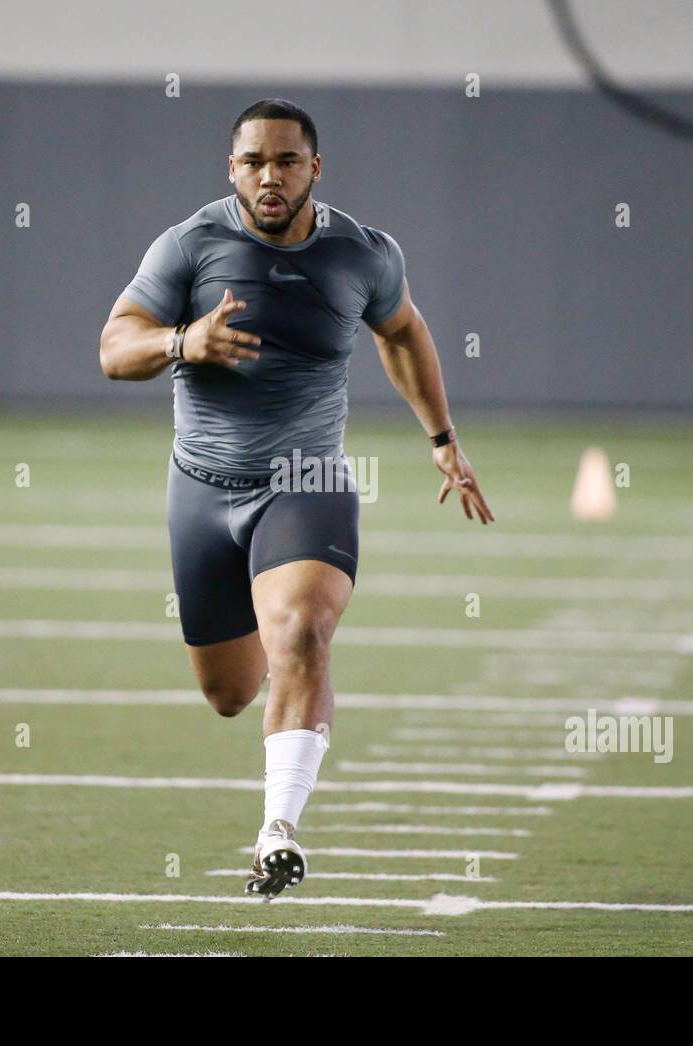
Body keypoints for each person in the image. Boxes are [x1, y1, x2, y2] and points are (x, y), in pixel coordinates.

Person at [98, 97, 494, 899]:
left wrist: (443, 439)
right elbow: (113, 347)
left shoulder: (363, 252)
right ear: (232, 169)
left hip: (306, 481)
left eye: (285, 161)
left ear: (315, 169)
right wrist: (184, 341)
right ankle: (272, 755)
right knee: (230, 693)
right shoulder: (189, 246)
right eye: (253, 162)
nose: (269, 177)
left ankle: (278, 828)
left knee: (303, 632)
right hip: (202, 490)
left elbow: (404, 330)